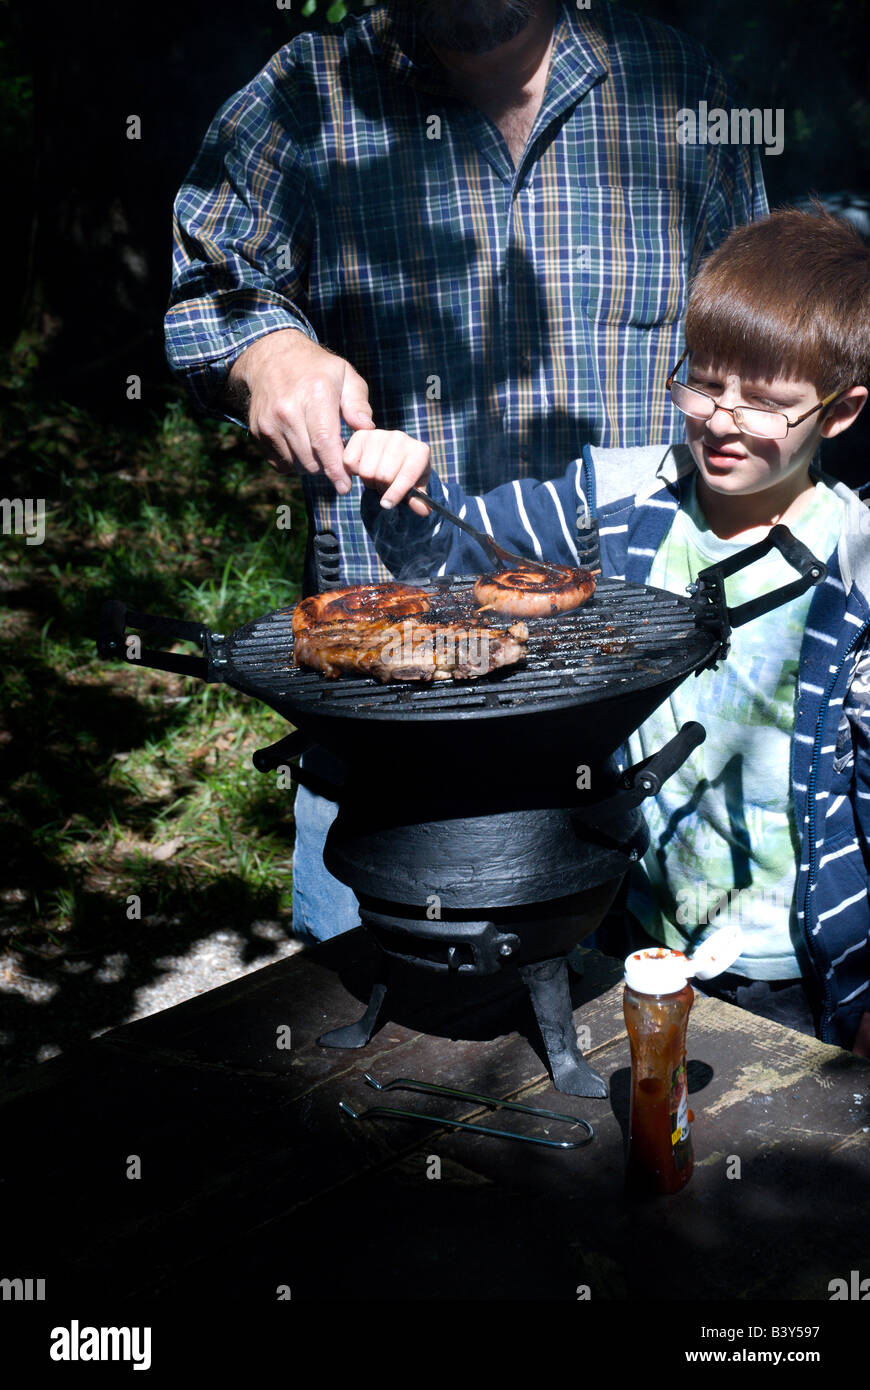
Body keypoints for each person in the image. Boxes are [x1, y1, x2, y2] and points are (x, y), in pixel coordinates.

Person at [165, 0, 766, 941]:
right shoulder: (306, 93)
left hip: (641, 738)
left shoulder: (679, 91)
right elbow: (209, 283)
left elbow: (769, 355)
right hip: (384, 742)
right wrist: (270, 354)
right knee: (364, 1071)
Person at [345, 206, 870, 1056]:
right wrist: (404, 492)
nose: (722, 421)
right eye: (703, 382)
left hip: (795, 974)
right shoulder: (619, 505)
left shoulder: (858, 571)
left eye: (766, 404)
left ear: (840, 414)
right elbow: (450, 568)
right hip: (630, 942)